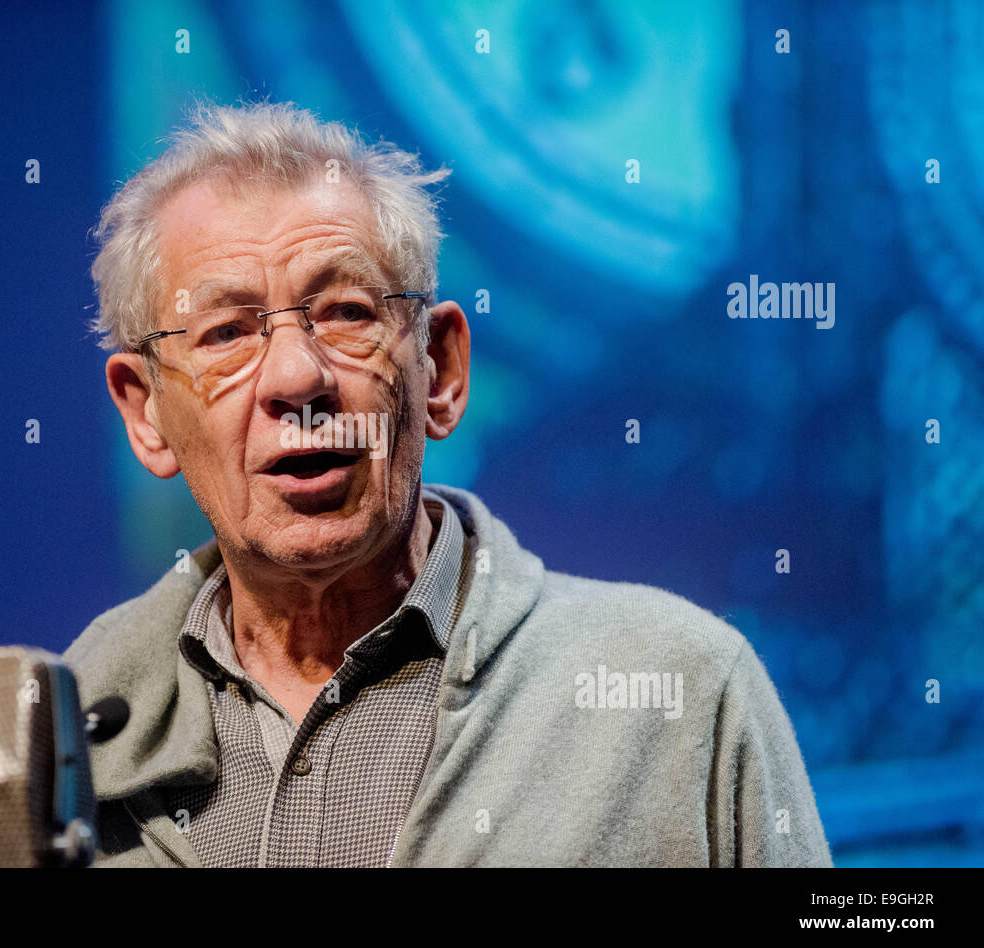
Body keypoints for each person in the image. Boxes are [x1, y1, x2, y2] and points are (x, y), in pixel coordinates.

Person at [65, 98, 832, 867]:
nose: (299, 376)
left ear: (440, 370)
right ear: (147, 412)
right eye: (227, 332)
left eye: (345, 312)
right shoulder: (56, 750)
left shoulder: (681, 691)